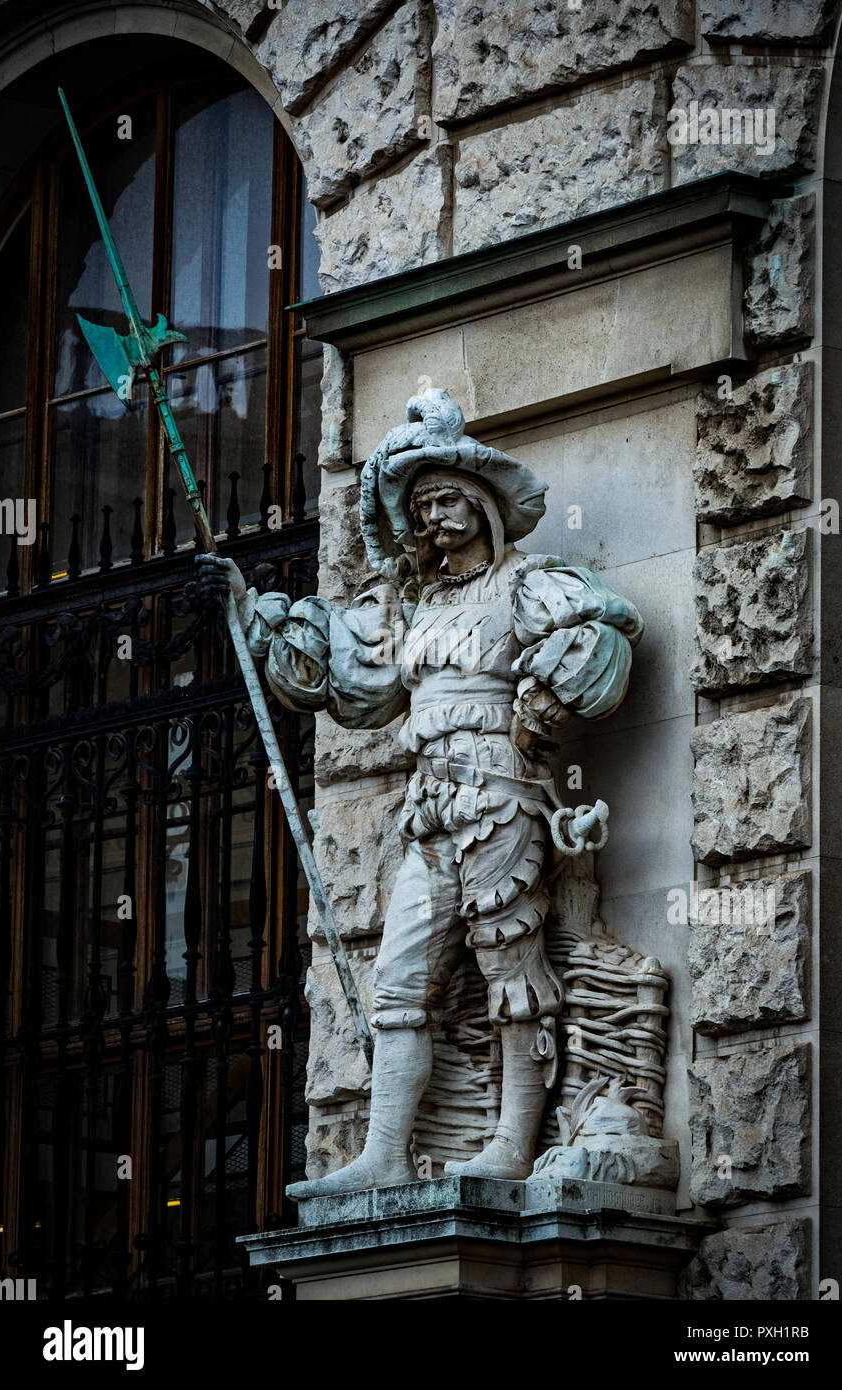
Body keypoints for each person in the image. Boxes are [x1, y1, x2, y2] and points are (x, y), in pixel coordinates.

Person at [198, 388, 643, 1198]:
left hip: (503, 800)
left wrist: (545, 700)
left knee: (513, 974)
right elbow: (344, 675)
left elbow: (603, 635)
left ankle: (511, 1144)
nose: (435, 516)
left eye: (447, 499)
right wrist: (245, 607)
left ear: (480, 503)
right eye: (423, 504)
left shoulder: (529, 584)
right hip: (429, 807)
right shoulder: (412, 603)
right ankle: (386, 1153)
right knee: (399, 982)